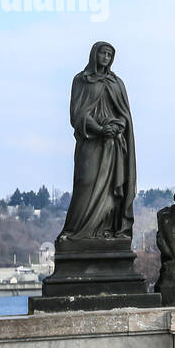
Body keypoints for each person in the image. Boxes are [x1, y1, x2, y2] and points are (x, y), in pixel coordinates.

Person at [59, 41, 137, 242]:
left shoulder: (116, 83)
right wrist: (99, 128)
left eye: (110, 55)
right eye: (103, 53)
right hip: (91, 141)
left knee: (112, 189)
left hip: (113, 145)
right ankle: (75, 231)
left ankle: (106, 230)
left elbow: (124, 114)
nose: (106, 57)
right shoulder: (81, 80)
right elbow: (77, 114)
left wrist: (117, 125)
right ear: (95, 54)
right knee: (85, 182)